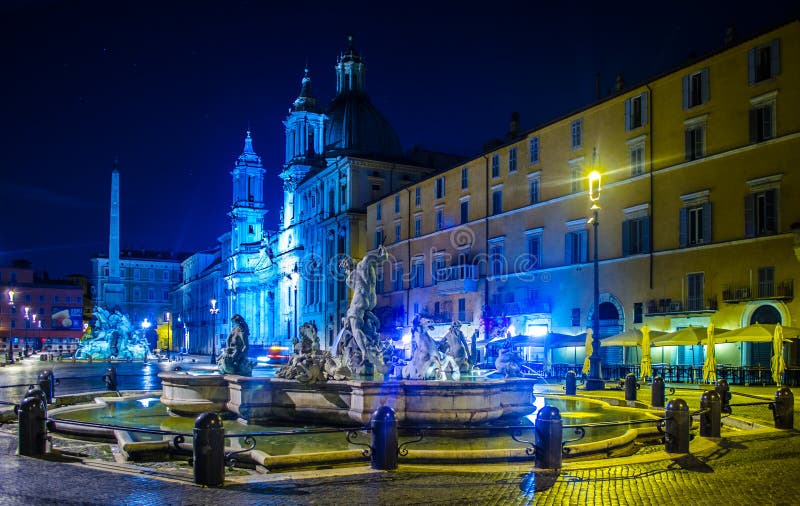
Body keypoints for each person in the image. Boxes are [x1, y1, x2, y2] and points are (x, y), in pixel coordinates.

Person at [339, 245, 387, 364]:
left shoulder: (349, 278)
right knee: (362, 323)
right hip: (371, 300)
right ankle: (371, 322)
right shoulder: (366, 261)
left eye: (345, 266)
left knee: (355, 328)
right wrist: (383, 253)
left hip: (359, 301)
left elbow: (354, 284)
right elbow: (382, 259)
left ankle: (364, 351)